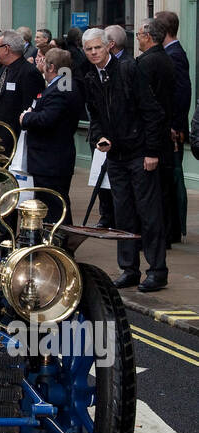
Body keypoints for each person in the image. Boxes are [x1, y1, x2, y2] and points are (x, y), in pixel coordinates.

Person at [82, 25, 167, 292]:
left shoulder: (130, 69)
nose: (94, 52)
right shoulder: (91, 77)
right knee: (123, 215)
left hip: (140, 154)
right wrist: (99, 137)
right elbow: (95, 116)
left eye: (98, 47)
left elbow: (152, 112)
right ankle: (129, 269)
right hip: (116, 156)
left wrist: (151, 152)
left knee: (149, 214)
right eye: (89, 49)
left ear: (109, 46)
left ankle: (157, 271)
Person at [19, 47, 83, 224]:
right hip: (51, 159)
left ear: (52, 67)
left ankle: (60, 245)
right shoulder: (63, 84)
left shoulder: (61, 88)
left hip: (51, 160)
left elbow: (47, 119)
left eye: (44, 61)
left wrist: (27, 117)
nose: (40, 63)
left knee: (54, 206)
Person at [136, 16, 178, 246]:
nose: (138, 40)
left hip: (151, 135)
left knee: (151, 193)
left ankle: (153, 239)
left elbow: (146, 104)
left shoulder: (147, 62)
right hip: (160, 132)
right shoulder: (164, 59)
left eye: (140, 35)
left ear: (148, 37)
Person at [157, 9, 191, 241]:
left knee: (171, 179)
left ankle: (173, 228)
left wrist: (177, 125)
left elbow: (181, 93)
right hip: (171, 125)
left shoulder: (174, 54)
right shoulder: (171, 53)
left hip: (172, 129)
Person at [0, 30, 45, 155]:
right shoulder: (1, 70)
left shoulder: (29, 73)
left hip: (10, 141)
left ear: (6, 49)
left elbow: (29, 109)